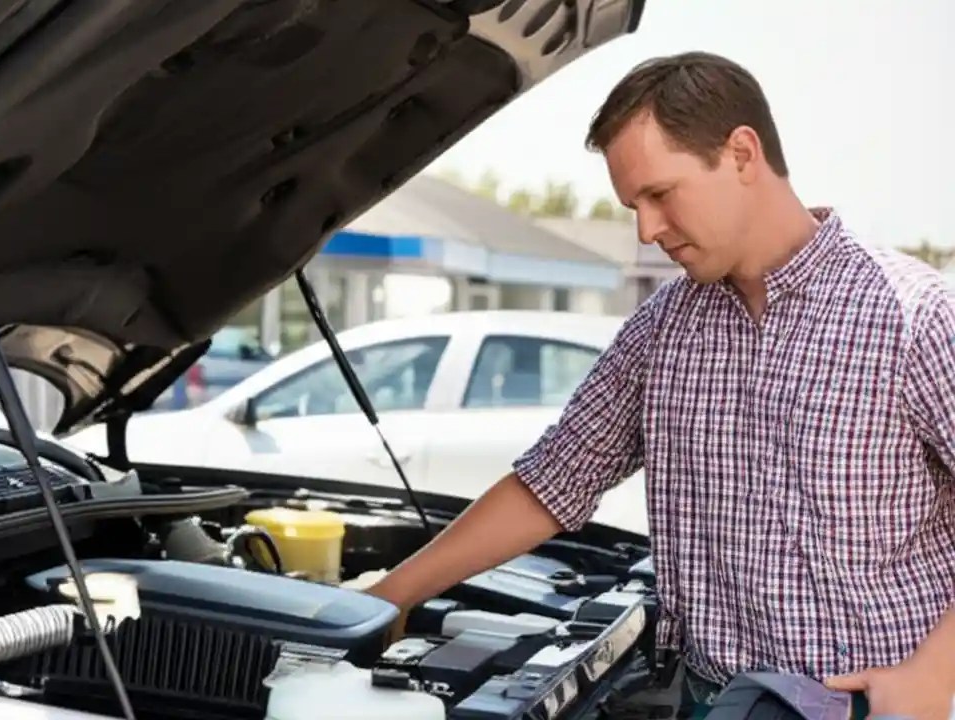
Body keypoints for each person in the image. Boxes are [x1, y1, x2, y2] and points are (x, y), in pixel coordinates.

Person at [366, 51, 955, 720]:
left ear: (740, 153)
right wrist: (389, 595)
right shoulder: (662, 329)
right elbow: (552, 482)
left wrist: (933, 675)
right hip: (714, 702)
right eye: (631, 206)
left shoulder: (916, 317)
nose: (646, 231)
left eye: (660, 194)